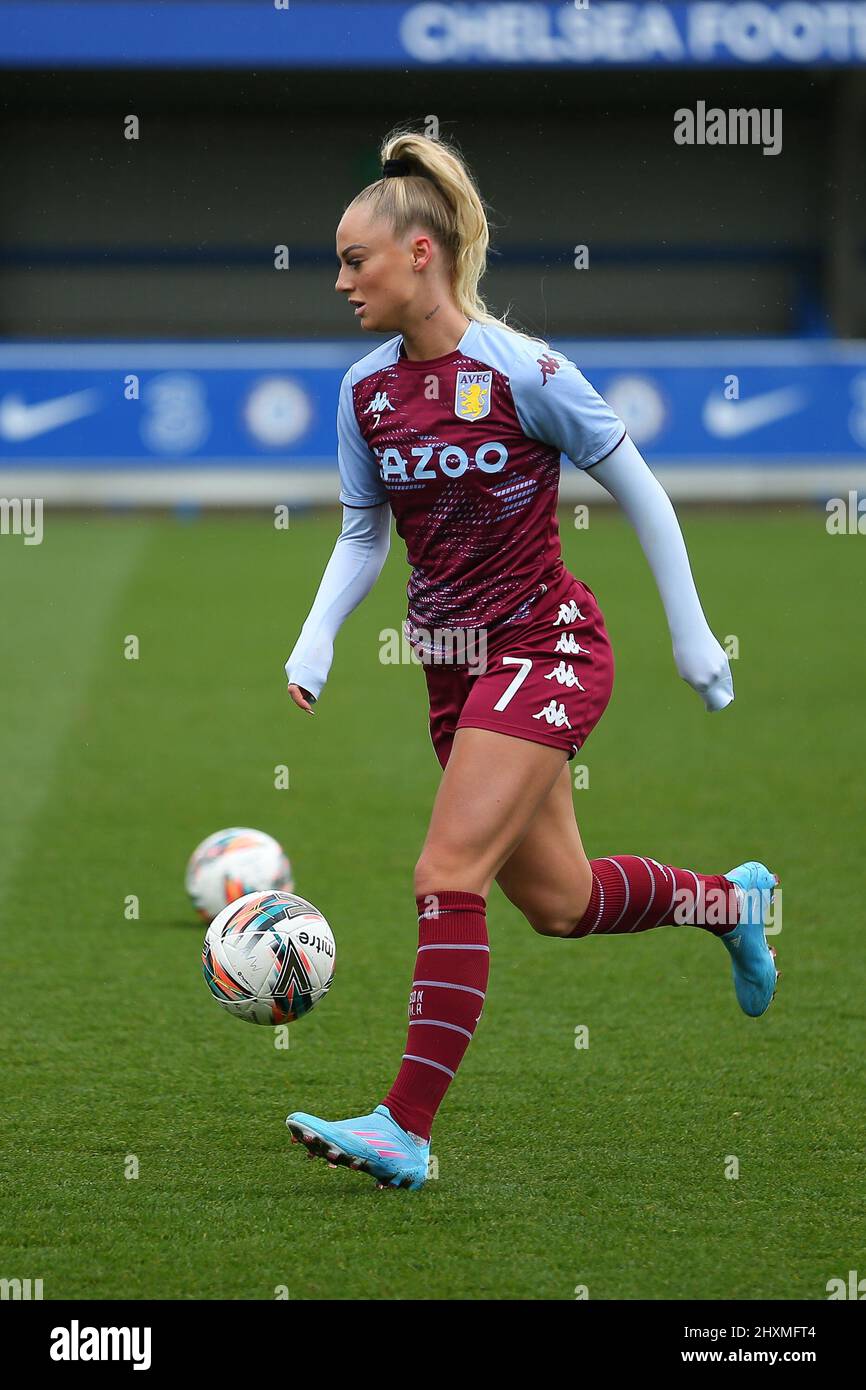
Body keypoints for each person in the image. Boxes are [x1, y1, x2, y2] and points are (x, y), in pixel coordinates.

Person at [283, 130, 778, 1192]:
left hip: (545, 645)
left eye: (352, 258)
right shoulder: (365, 392)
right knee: (558, 900)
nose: (338, 281)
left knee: (443, 873)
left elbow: (638, 487)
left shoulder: (526, 370)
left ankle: (404, 1126)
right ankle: (730, 904)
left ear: (421, 253)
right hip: (452, 667)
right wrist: (317, 635)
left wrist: (692, 632)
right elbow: (364, 534)